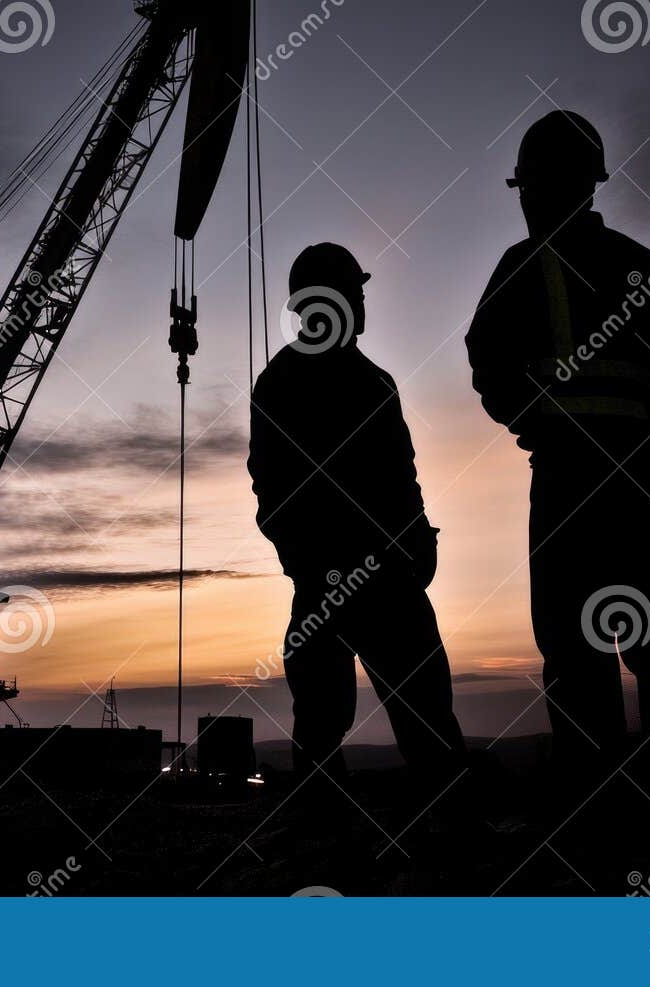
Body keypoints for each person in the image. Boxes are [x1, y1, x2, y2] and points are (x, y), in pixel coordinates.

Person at [464, 111, 650, 780]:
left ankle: (596, 798)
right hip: (638, 486)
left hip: (570, 484)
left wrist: (530, 421)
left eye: (529, 186)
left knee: (574, 647)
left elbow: (486, 359)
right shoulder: (648, 272)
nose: (526, 200)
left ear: (552, 185)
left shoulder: (524, 267)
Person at [249, 242, 466, 799]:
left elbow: (396, 477)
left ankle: (334, 825)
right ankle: (440, 822)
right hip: (365, 576)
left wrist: (414, 539)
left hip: (349, 575)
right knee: (408, 712)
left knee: (334, 717)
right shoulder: (358, 383)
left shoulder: (290, 382)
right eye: (356, 293)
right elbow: (276, 487)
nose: (363, 304)